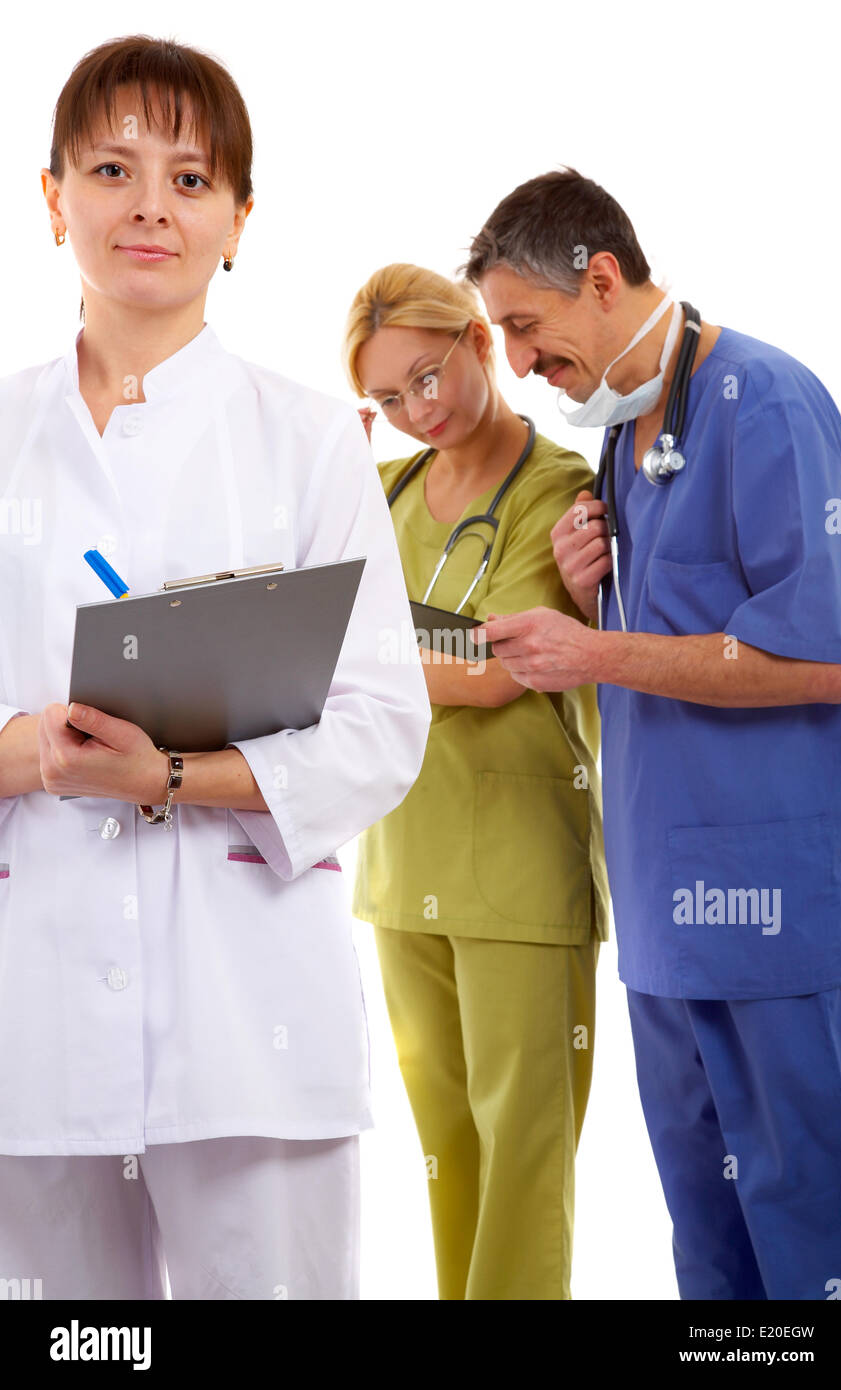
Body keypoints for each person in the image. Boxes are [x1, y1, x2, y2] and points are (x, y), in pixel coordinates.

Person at [0, 35, 430, 1301]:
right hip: (35, 1006)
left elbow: (380, 725)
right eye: (113, 168)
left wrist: (177, 772)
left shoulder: (306, 438)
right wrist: (31, 752)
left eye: (191, 181)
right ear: (52, 196)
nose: (149, 207)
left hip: (251, 1020)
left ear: (240, 221)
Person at [461, 167, 841, 1300]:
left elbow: (825, 660)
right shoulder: (630, 435)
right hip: (662, 919)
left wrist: (591, 650)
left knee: (814, 1235)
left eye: (528, 331)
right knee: (710, 1242)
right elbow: (671, 641)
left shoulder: (768, 402)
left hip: (774, 914)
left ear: (600, 279)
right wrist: (598, 602)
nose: (524, 367)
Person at [342, 263, 610, 1299]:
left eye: (430, 373)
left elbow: (504, 668)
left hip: (518, 874)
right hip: (403, 862)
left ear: (482, 343)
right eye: (390, 398)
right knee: (448, 1155)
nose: (419, 410)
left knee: (523, 1160)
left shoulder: (557, 488)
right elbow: (309, 634)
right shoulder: (387, 491)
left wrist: (367, 653)